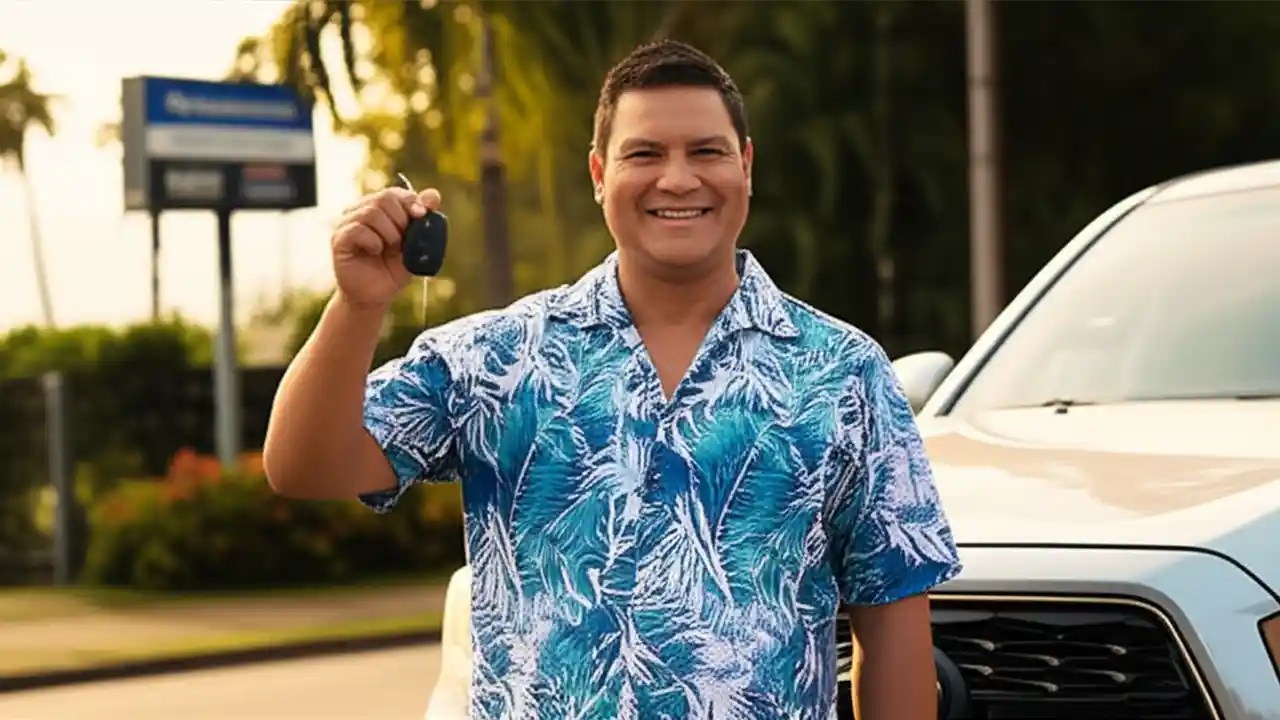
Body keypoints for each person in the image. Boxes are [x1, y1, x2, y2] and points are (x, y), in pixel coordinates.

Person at [264, 38, 962, 720]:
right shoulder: (498, 359)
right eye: (645, 153)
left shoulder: (844, 374)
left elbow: (894, 636)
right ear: (599, 174)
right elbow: (304, 466)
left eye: (707, 151)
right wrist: (359, 305)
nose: (679, 178)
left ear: (746, 166)